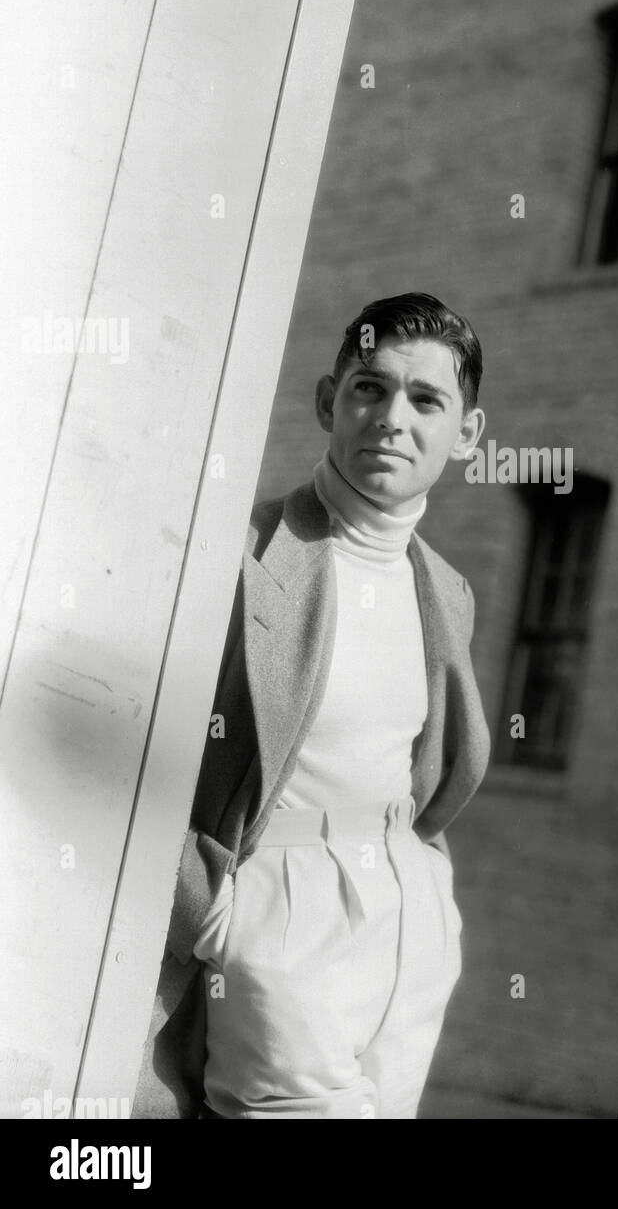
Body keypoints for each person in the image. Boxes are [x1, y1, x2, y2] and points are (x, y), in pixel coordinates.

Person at [135, 292, 490, 1119]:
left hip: (408, 920)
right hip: (276, 926)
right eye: (370, 388)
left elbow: (429, 768)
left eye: (426, 400)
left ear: (466, 434)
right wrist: (220, 920)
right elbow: (128, 750)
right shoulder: (235, 557)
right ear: (330, 401)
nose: (391, 418)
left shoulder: (445, 589)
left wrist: (426, 891)